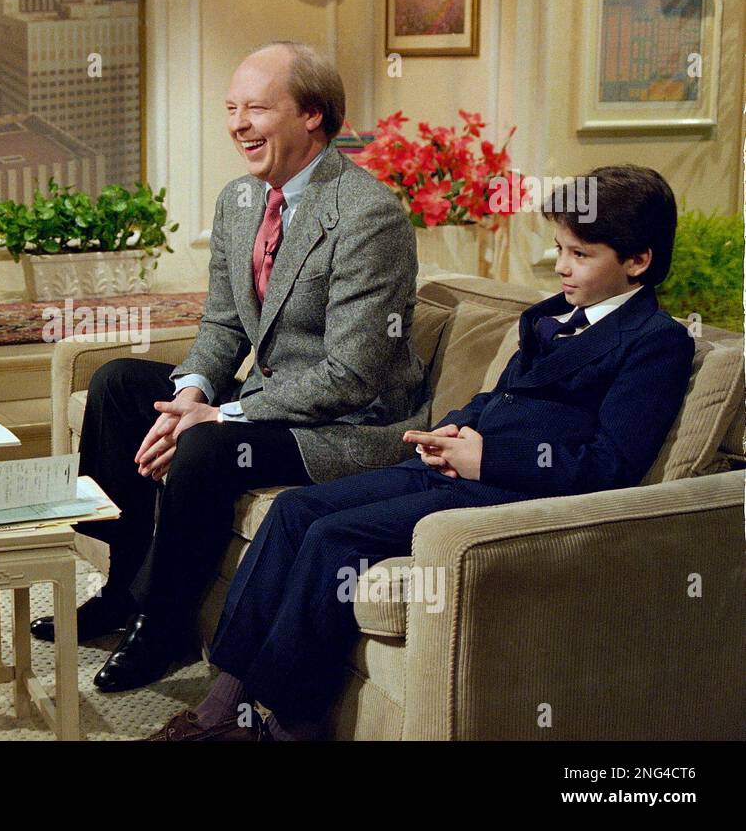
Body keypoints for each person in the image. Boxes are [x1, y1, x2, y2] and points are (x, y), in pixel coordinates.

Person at [150, 164, 695, 741]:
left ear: (638, 261)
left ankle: (288, 723)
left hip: (509, 495)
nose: (560, 265)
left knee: (335, 537)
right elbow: (496, 398)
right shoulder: (549, 316)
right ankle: (225, 705)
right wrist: (454, 431)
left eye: (580, 254)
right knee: (294, 512)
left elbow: (611, 466)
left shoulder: (656, 342)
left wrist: (486, 461)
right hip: (453, 466)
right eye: (559, 247)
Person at [29, 41, 428, 693]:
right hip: (273, 400)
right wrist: (192, 391)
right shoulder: (241, 201)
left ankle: (166, 628)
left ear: (313, 116)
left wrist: (223, 412)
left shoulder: (368, 215)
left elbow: (352, 374)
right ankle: (120, 590)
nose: (237, 123)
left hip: (348, 425)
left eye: (256, 108)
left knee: (211, 444)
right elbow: (222, 323)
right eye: (231, 107)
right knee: (118, 386)